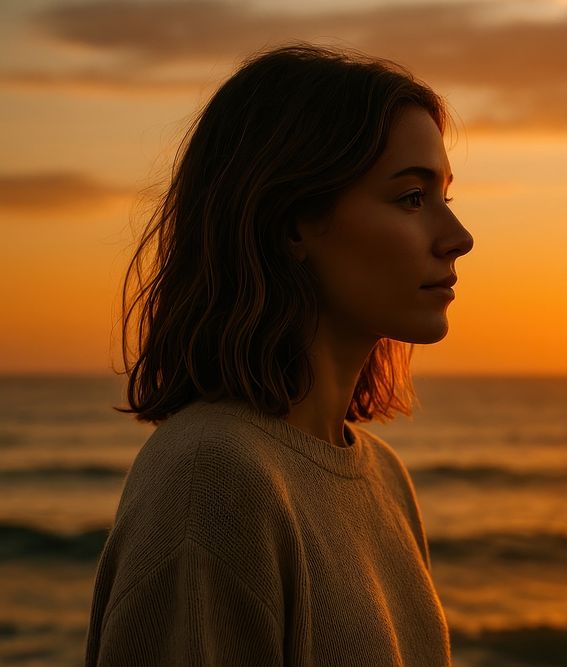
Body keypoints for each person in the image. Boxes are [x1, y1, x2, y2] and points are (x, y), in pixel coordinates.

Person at [84, 43, 473, 666]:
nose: (459, 238)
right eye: (410, 198)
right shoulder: (212, 479)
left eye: (444, 199)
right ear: (291, 223)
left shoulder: (384, 478)